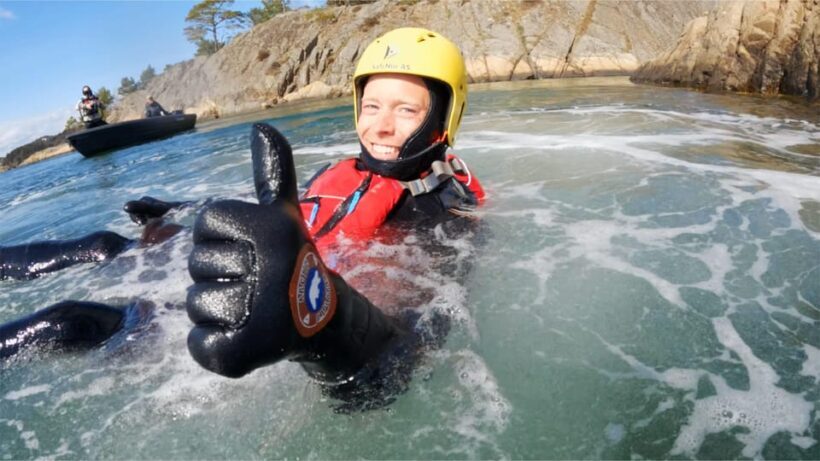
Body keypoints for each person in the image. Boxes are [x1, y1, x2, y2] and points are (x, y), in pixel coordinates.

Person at [1, 28, 484, 411]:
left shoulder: (442, 211)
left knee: (69, 321)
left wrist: (319, 318)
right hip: (249, 277)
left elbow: (397, 363)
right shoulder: (343, 172)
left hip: (270, 319)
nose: (379, 125)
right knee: (106, 244)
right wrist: (179, 210)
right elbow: (292, 215)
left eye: (406, 110)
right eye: (372, 105)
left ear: (443, 117)